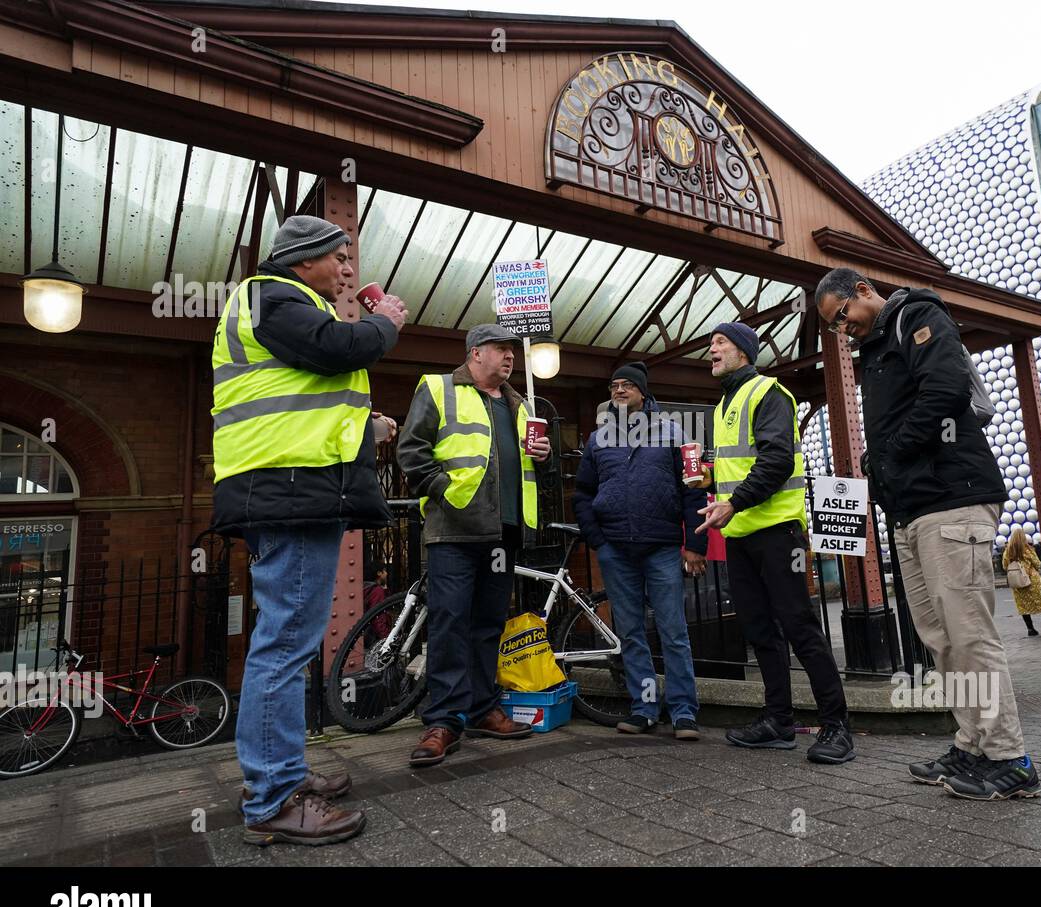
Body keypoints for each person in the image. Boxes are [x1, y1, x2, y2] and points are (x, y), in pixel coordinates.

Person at [210, 214, 407, 845]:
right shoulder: (274, 296)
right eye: (339, 259)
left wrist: (363, 427)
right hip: (286, 493)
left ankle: (281, 774)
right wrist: (386, 322)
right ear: (303, 260)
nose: (349, 271)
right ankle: (272, 798)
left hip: (288, 489)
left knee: (285, 641)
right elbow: (340, 348)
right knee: (286, 644)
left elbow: (304, 392)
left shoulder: (279, 302)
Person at [817, 268, 1041, 800]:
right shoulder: (872, 349)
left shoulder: (918, 315)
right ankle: (972, 743)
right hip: (912, 509)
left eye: (842, 315)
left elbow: (944, 390)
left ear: (864, 292)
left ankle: (1011, 757)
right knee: (939, 637)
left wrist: (887, 454)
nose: (842, 329)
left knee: (970, 633)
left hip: (953, 499)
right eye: (833, 326)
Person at [694, 323, 854, 764]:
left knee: (799, 627)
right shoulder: (725, 402)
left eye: (720, 342)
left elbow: (778, 460)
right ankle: (778, 721)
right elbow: (737, 466)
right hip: (742, 536)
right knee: (760, 631)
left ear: (744, 352)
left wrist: (733, 502)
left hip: (779, 532)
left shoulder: (769, 393)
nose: (712, 348)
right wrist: (709, 479)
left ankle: (837, 726)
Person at [397, 324, 551, 768]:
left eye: (512, 352)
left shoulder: (521, 404)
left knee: (488, 623)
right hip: (454, 529)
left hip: (504, 531)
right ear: (475, 353)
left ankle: (483, 708)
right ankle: (444, 719)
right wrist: (443, 489)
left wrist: (542, 457)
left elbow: (531, 469)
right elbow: (412, 450)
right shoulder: (439, 388)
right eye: (501, 350)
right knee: (449, 621)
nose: (509, 358)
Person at [573, 362, 708, 739]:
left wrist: (695, 544)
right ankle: (644, 708)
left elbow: (693, 490)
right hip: (615, 550)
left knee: (673, 631)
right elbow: (583, 493)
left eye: (627, 385)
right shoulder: (598, 439)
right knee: (630, 633)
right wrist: (597, 539)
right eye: (614, 385)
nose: (619, 391)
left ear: (644, 393)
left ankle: (683, 713)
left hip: (662, 549)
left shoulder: (674, 433)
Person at [1002, 528, 1041, 636]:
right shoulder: (1027, 549)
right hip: (1031, 580)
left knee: (1023, 606)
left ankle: (1030, 629)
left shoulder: (1008, 551)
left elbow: (1004, 565)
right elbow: (1038, 564)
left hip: (1017, 581)